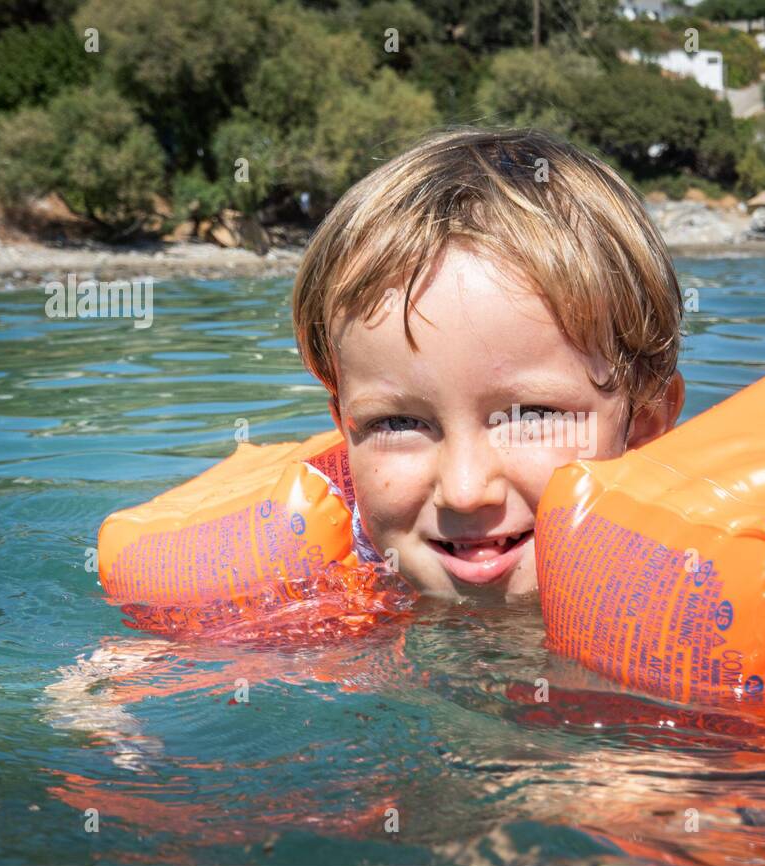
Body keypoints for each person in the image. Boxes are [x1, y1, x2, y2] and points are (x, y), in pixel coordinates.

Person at [292, 128, 685, 600]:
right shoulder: (312, 604)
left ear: (645, 418)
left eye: (529, 416)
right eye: (398, 422)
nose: (464, 490)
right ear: (343, 426)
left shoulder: (706, 598)